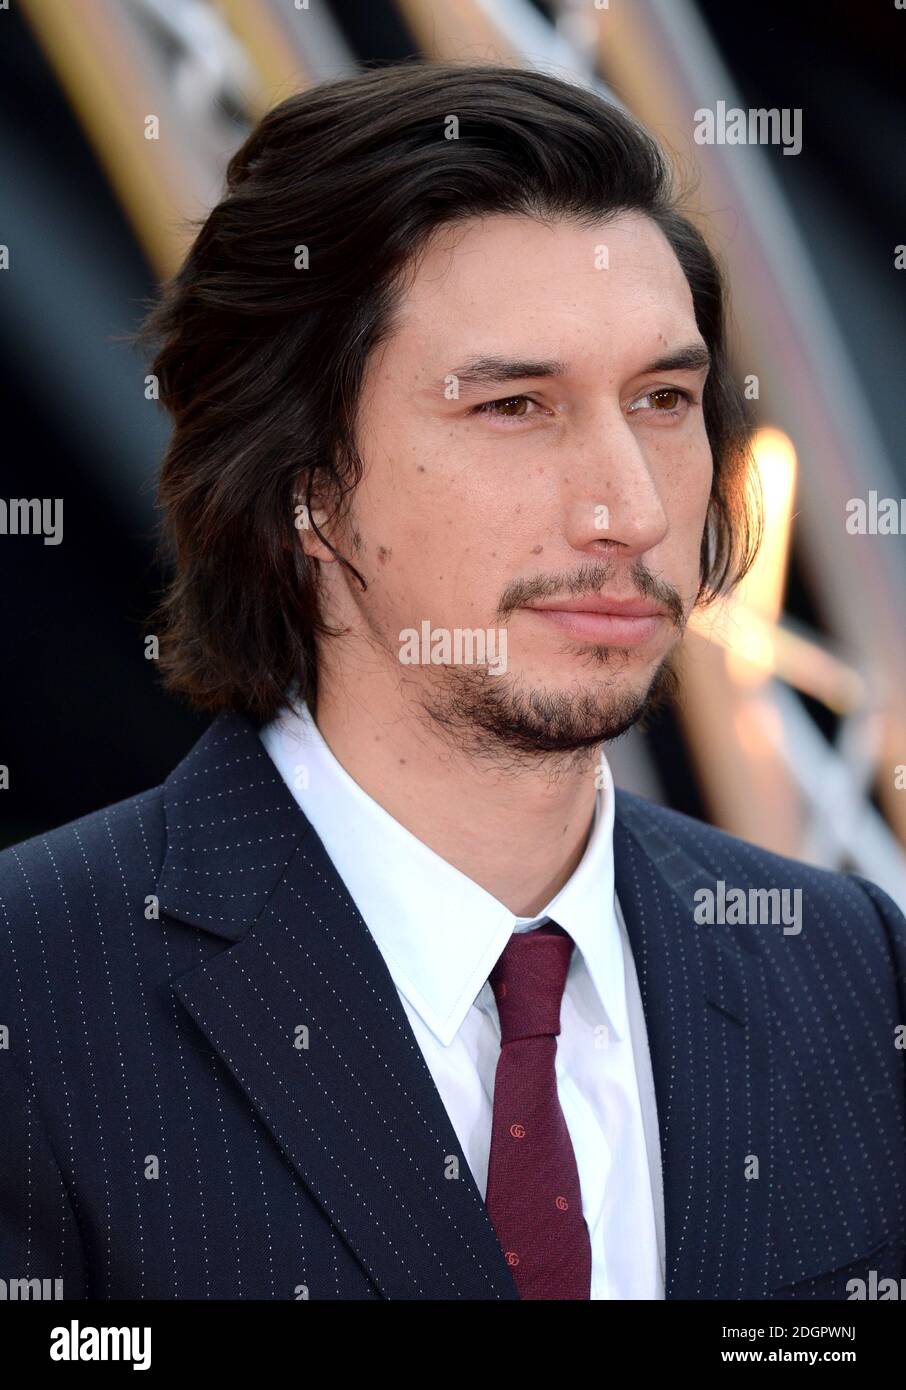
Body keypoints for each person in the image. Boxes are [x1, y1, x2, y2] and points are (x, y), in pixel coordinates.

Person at [1, 61, 903, 1302]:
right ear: (302, 482)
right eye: (516, 406)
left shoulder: (849, 971)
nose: (630, 509)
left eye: (664, 399)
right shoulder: (37, 991)